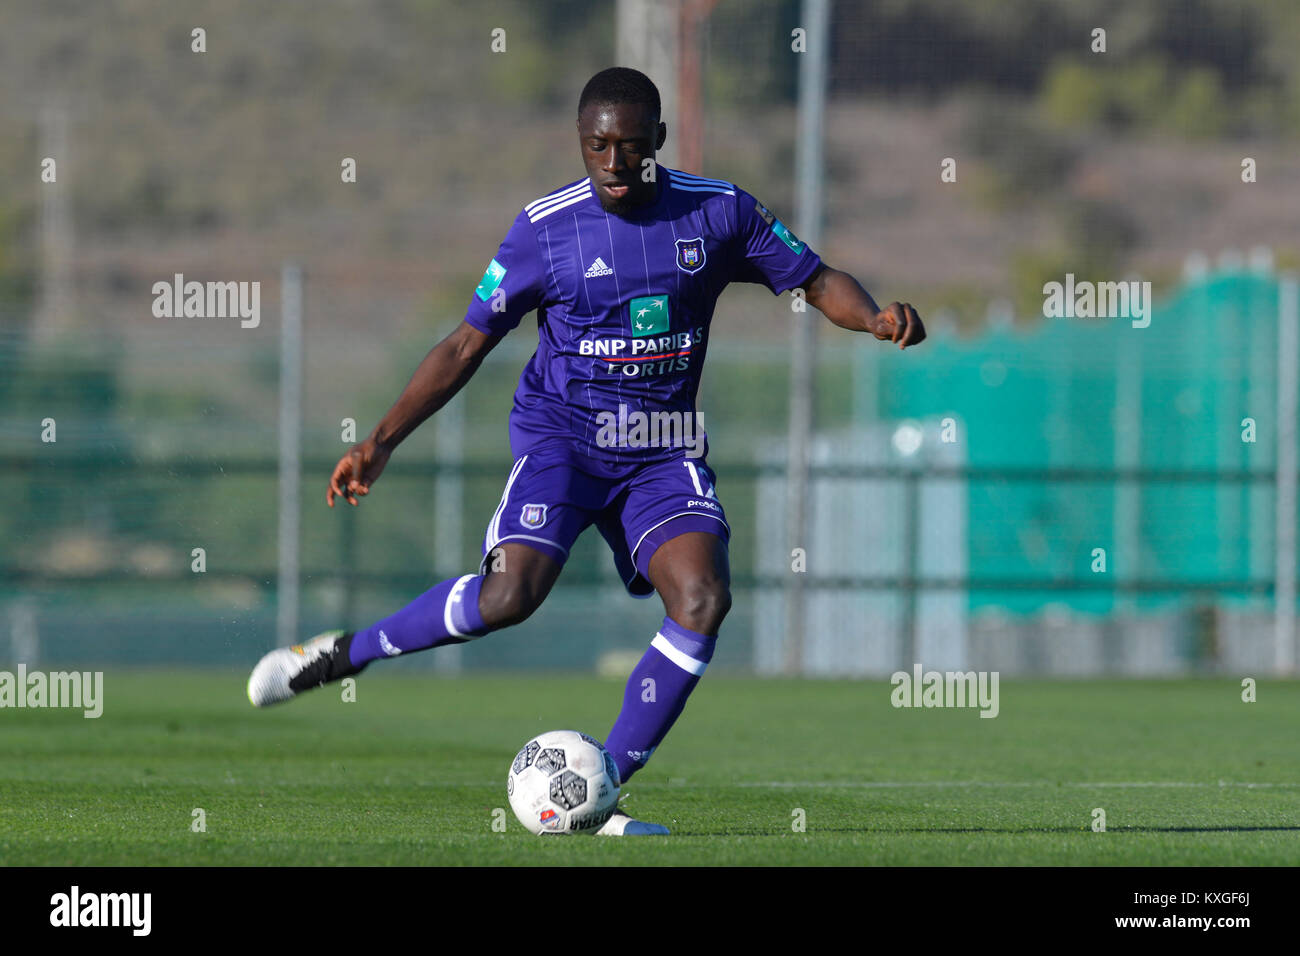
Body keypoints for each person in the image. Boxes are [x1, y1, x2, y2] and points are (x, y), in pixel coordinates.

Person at [247, 66, 925, 835]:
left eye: (630, 147)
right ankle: (342, 656)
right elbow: (466, 343)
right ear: (580, 142)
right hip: (563, 436)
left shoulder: (720, 213)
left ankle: (602, 786)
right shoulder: (545, 229)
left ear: (658, 143)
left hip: (661, 445)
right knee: (510, 598)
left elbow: (814, 278)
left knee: (703, 600)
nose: (612, 163)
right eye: (596, 146)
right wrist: (378, 442)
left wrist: (871, 318)